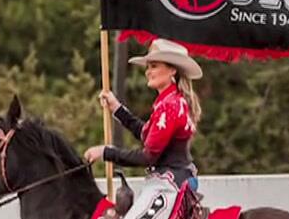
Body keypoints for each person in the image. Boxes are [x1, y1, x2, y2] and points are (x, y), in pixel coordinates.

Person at [84, 38, 202, 191]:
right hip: (176, 178)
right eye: (148, 67)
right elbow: (146, 133)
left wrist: (105, 152)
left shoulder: (169, 106)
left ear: (172, 70)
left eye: (154, 66)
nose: (148, 72)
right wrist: (117, 109)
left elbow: (147, 156)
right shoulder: (170, 102)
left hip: (172, 182)